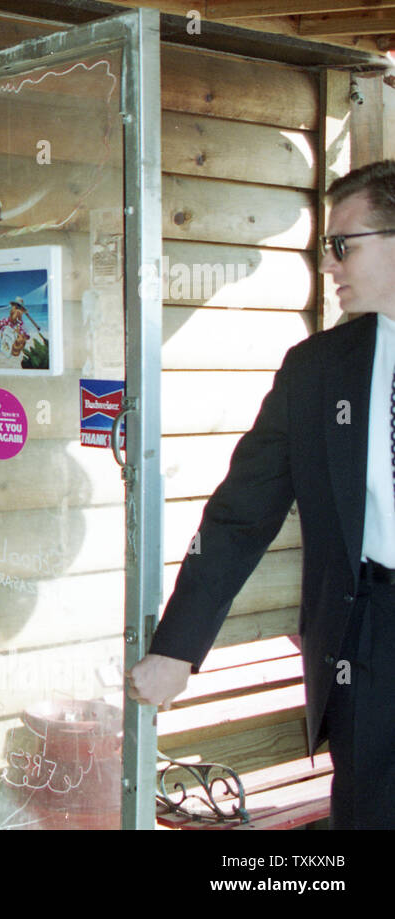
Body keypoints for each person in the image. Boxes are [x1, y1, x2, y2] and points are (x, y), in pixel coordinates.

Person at [127, 159, 395, 829]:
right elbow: (241, 511)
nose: (329, 263)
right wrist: (176, 647)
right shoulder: (318, 370)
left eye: (342, 245)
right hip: (372, 642)